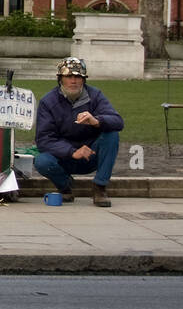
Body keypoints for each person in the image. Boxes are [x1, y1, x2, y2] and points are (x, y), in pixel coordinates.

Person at [33, 57, 123, 207]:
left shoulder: (95, 96)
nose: (73, 81)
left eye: (78, 77)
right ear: (60, 79)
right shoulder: (48, 102)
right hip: (64, 158)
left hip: (90, 155)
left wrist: (97, 121)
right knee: (42, 161)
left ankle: (100, 187)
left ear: (83, 80)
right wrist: (72, 152)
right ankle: (65, 186)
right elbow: (44, 140)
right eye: (69, 76)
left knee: (112, 134)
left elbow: (118, 121)